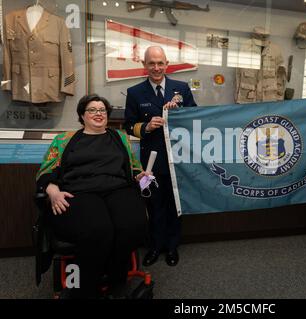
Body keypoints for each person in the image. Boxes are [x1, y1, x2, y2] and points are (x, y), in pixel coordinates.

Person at [36, 94, 150, 298]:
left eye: (102, 110)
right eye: (92, 110)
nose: (98, 113)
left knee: (131, 225)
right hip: (79, 190)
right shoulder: (64, 139)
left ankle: (117, 283)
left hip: (118, 188)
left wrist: (141, 176)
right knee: (98, 230)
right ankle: (85, 289)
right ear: (82, 115)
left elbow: (133, 167)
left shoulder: (120, 137)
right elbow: (46, 171)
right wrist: (52, 191)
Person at [124, 46, 197, 267]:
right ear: (144, 65)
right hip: (151, 163)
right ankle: (155, 247)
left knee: (175, 205)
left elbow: (195, 118)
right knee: (154, 205)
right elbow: (128, 126)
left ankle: (172, 247)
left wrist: (179, 112)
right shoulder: (134, 92)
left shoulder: (181, 88)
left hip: (177, 159)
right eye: (151, 63)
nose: (156, 68)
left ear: (167, 64)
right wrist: (146, 126)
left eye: (160, 63)